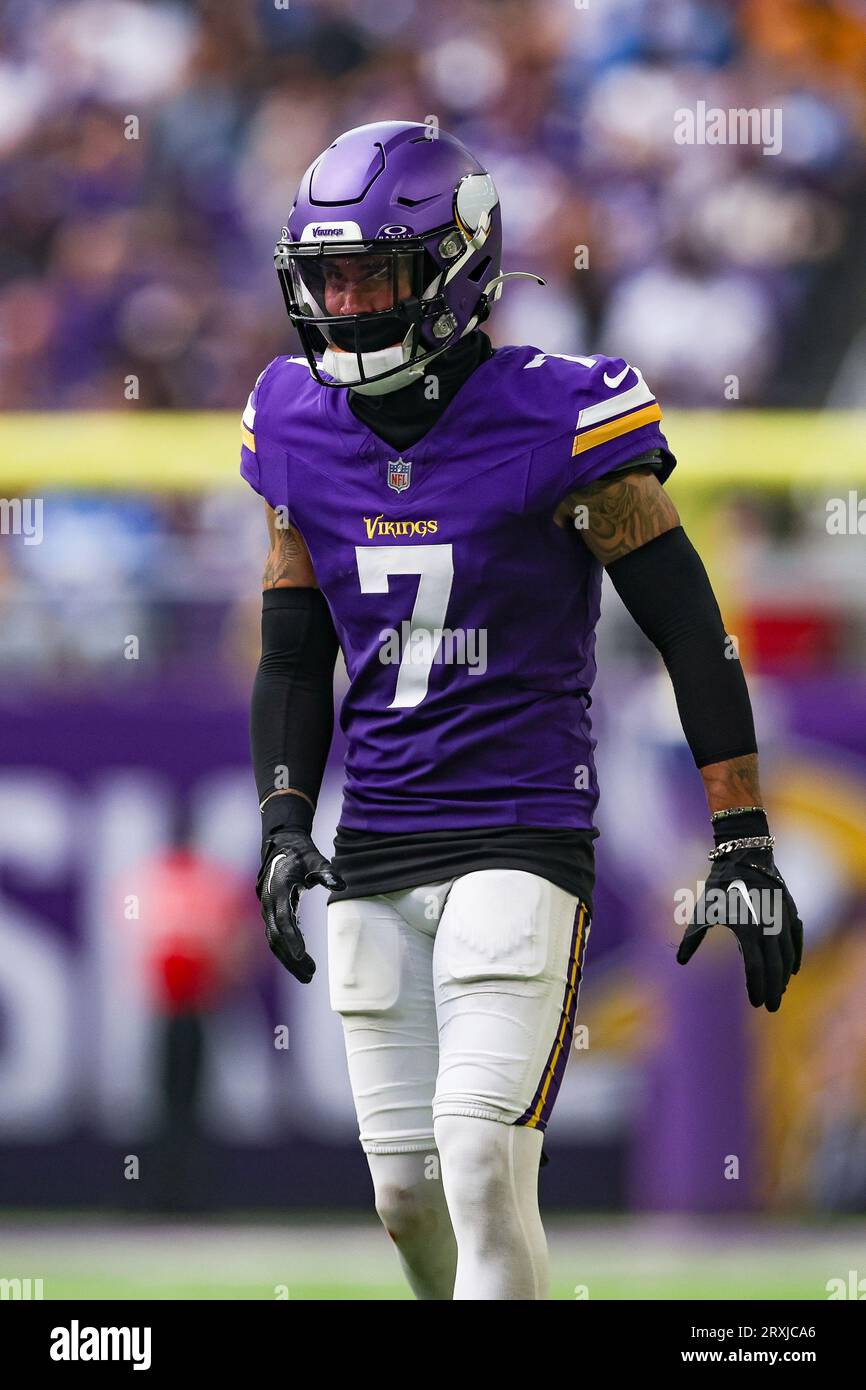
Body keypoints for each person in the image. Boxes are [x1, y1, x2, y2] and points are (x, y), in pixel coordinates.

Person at [239, 121, 803, 1300]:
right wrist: (285, 823)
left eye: (372, 273)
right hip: (377, 841)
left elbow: (687, 627)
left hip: (520, 830)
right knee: (406, 1201)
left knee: (483, 1160)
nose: (343, 303)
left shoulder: (560, 417)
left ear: (453, 269)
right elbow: (292, 659)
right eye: (326, 275)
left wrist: (740, 837)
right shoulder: (291, 420)